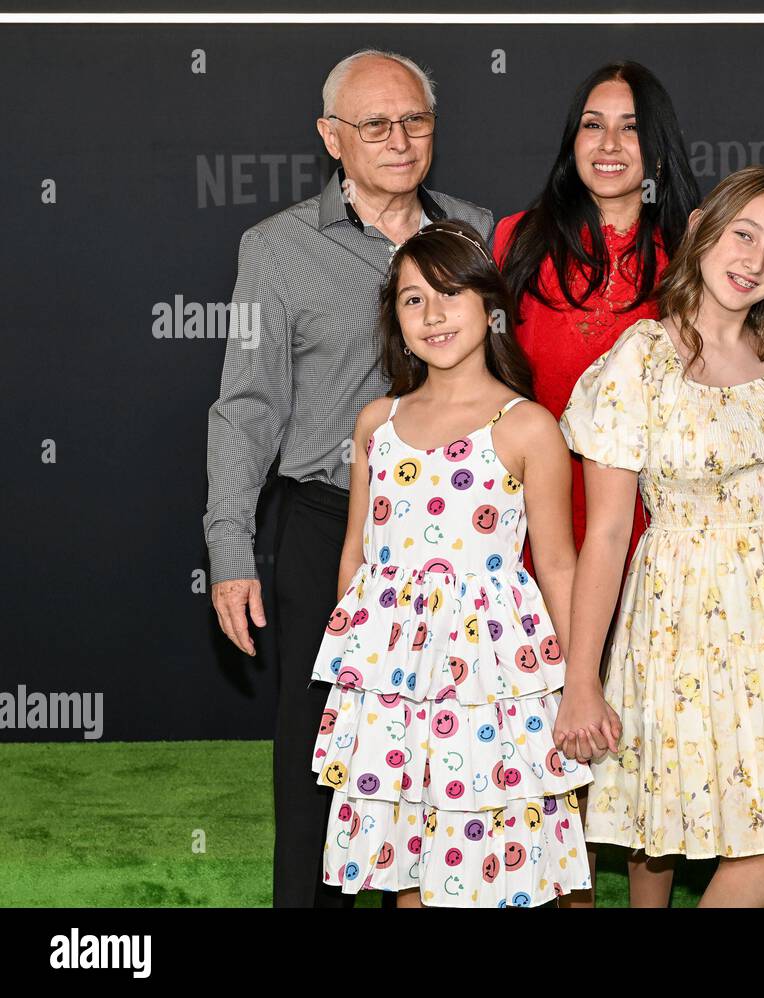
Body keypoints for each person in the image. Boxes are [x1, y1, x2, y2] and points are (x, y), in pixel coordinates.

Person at [203, 48, 493, 907]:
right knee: (319, 761)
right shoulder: (276, 249)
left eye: (415, 120)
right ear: (332, 137)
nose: (399, 140)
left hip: (463, 538)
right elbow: (247, 407)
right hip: (331, 527)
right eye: (375, 125)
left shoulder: (477, 231)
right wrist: (229, 547)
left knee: (450, 753)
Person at [557, 166, 764, 907]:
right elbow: (607, 535)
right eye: (743, 234)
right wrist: (581, 680)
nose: (755, 261)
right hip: (684, 620)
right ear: (700, 228)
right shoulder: (640, 360)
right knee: (678, 820)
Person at [308, 220, 593, 907]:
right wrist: (355, 676)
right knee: (407, 862)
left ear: (489, 305)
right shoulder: (376, 423)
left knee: (503, 851)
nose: (433, 314)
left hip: (491, 679)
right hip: (394, 682)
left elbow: (558, 566)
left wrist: (578, 684)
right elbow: (357, 556)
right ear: (395, 319)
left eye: (450, 293)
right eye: (413, 299)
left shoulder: (527, 426)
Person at [492, 60, 699, 905]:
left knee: (644, 734)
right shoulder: (516, 239)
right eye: (592, 123)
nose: (610, 143)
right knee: (556, 728)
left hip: (650, 529)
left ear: (659, 148)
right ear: (570, 139)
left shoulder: (694, 250)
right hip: (534, 529)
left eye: (631, 126)